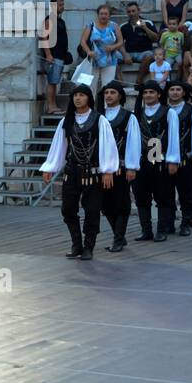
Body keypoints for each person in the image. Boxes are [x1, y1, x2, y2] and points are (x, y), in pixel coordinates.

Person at [39, 85, 119, 260]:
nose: (78, 98)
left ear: (88, 98)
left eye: (81, 95)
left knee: (92, 210)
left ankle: (89, 246)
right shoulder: (66, 120)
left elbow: (108, 146)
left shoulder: (99, 120)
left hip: (93, 172)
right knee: (67, 209)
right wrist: (50, 167)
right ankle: (76, 244)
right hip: (72, 171)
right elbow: (59, 146)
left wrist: (107, 170)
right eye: (75, 95)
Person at [125, 82, 179, 243]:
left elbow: (174, 137)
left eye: (152, 92)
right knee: (141, 195)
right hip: (141, 160)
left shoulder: (168, 113)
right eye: (146, 92)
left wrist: (173, 160)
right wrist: (131, 164)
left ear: (159, 95)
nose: (148, 95)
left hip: (159, 159)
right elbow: (132, 140)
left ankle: (161, 230)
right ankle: (146, 230)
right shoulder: (136, 114)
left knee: (162, 195)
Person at [165, 78, 192, 233]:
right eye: (172, 90)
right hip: (167, 159)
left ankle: (186, 222)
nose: (175, 92)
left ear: (183, 93)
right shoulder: (163, 110)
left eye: (178, 90)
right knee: (167, 191)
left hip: (186, 157)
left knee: (186, 191)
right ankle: (168, 222)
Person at [99, 81, 135, 253]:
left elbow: (133, 143)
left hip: (120, 167)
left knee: (121, 203)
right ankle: (119, 235)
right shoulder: (98, 116)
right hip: (101, 168)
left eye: (113, 92)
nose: (109, 96)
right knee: (105, 205)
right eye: (106, 92)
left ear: (120, 96)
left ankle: (118, 238)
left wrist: (131, 166)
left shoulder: (129, 117)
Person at [78, 3, 124, 89]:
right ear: (98, 14)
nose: (103, 16)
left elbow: (121, 41)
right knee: (90, 87)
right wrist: (88, 51)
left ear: (109, 15)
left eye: (106, 14)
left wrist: (113, 47)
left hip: (110, 60)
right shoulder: (91, 25)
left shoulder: (114, 26)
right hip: (93, 60)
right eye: (101, 14)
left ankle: (107, 103)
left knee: (108, 87)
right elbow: (83, 41)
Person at [40, 0, 72, 115]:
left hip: (61, 55)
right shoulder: (49, 20)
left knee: (55, 82)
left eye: (62, 5)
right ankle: (51, 106)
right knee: (52, 82)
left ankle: (54, 105)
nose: (62, 7)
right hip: (53, 56)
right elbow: (43, 37)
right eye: (59, 5)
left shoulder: (61, 21)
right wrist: (48, 54)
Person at [122, 1, 161, 81]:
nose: (131, 13)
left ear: (138, 10)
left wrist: (145, 28)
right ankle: (120, 81)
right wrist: (125, 54)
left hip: (144, 52)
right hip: (129, 53)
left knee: (150, 56)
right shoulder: (123, 26)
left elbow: (156, 38)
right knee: (113, 56)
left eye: (133, 11)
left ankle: (139, 80)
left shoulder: (148, 23)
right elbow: (119, 43)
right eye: (129, 12)